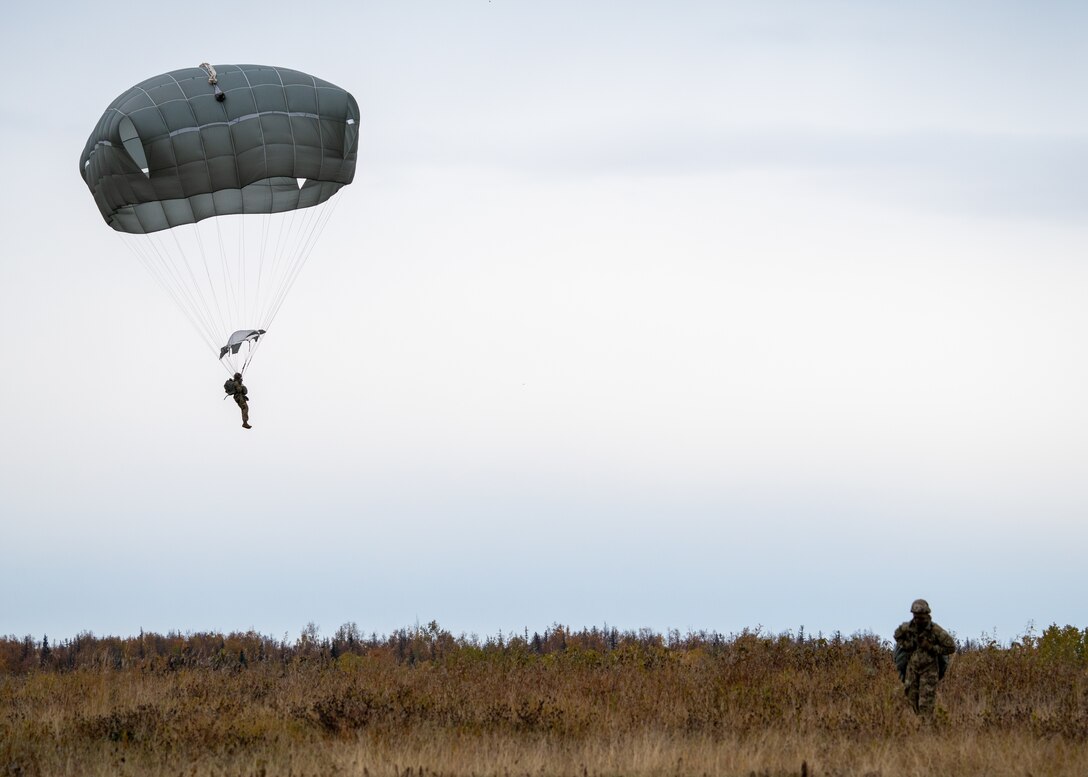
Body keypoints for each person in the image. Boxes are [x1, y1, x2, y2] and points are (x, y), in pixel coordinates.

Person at [893, 599, 955, 719]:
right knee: (911, 702)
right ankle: (916, 728)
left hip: (929, 670)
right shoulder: (908, 628)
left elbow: (950, 647)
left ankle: (926, 730)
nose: (918, 620)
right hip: (912, 670)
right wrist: (907, 645)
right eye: (915, 617)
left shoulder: (935, 630)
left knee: (926, 705)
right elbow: (897, 635)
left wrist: (932, 648)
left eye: (921, 617)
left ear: (927, 615)